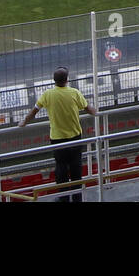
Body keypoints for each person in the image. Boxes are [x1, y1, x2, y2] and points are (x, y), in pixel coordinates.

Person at [20, 67, 97, 202]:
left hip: (57, 139)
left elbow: (34, 112)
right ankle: (77, 197)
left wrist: (24, 122)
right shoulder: (74, 93)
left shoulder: (47, 94)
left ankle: (64, 198)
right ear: (67, 80)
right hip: (75, 137)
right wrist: (97, 112)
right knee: (76, 169)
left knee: (61, 168)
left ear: (54, 81)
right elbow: (89, 109)